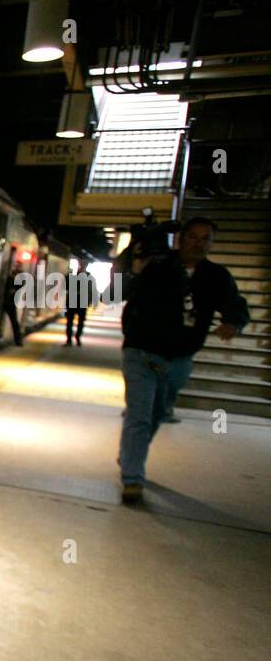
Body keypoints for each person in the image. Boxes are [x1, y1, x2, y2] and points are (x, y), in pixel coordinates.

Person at [117, 216, 248, 504]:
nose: (199, 243)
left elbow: (236, 306)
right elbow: (120, 286)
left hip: (179, 358)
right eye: (193, 237)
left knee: (157, 413)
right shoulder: (157, 263)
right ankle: (132, 477)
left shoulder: (217, 276)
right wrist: (136, 251)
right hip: (142, 351)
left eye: (206, 239)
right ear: (180, 239)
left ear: (212, 243)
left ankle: (129, 454)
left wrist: (234, 323)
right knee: (139, 414)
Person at [64, 266, 99, 347]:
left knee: (79, 322)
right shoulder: (72, 276)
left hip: (81, 303)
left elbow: (92, 290)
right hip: (73, 302)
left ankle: (77, 337)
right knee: (70, 322)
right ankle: (70, 339)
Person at [0, 254, 24, 347]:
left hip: (11, 302)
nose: (16, 266)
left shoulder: (20, 276)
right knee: (12, 321)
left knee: (14, 321)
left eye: (18, 265)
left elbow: (19, 287)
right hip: (6, 301)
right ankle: (17, 340)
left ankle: (18, 340)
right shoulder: (12, 275)